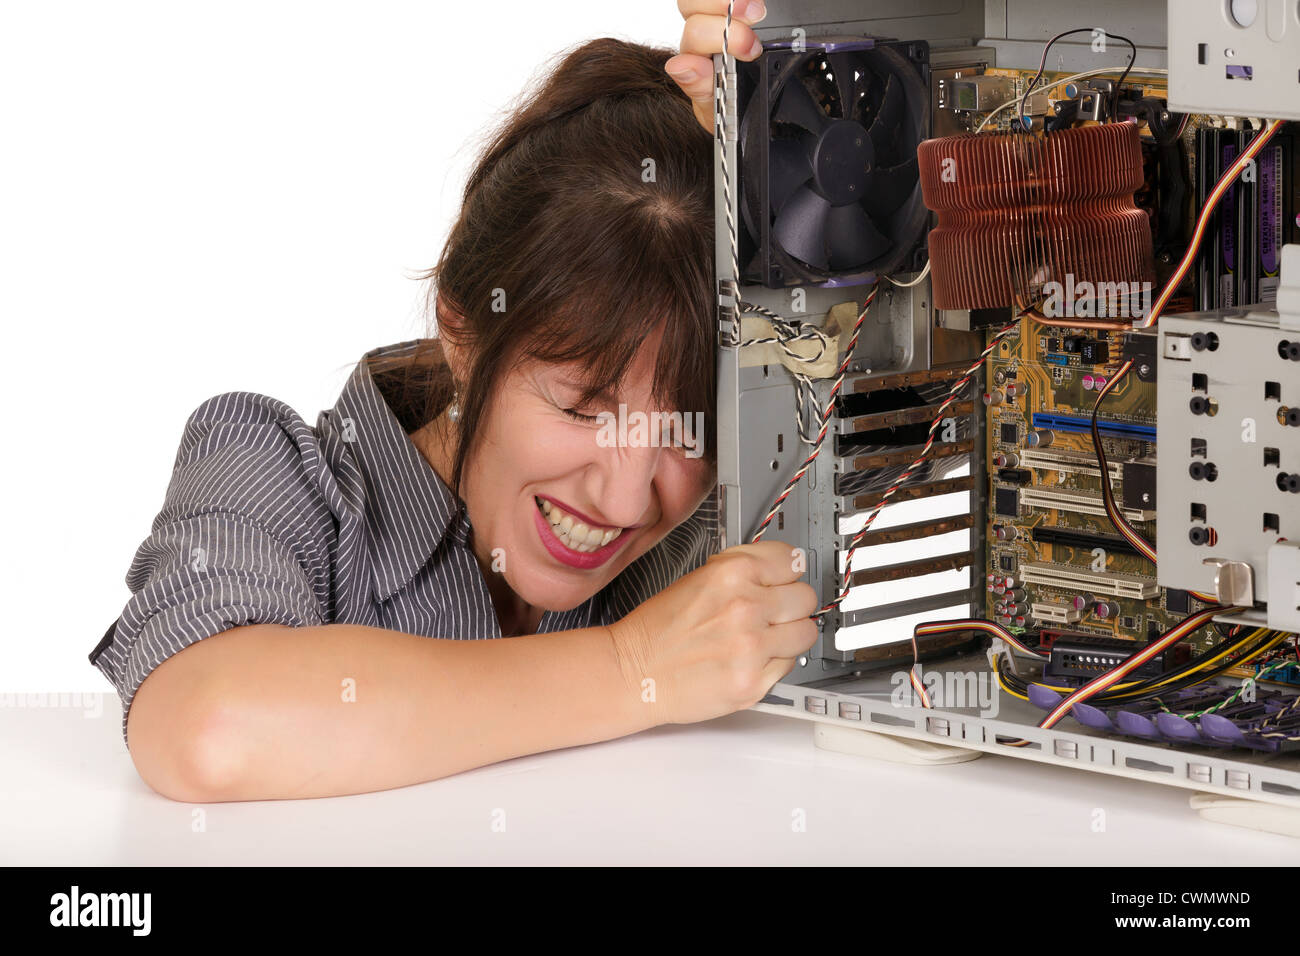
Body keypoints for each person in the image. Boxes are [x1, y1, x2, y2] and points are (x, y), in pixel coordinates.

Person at [95, 4, 813, 803]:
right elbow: (209, 727)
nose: (623, 497)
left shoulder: (732, 511)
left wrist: (812, 135)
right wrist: (635, 666)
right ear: (463, 334)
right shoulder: (265, 470)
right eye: (581, 408)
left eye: (689, 426)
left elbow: (940, 393)